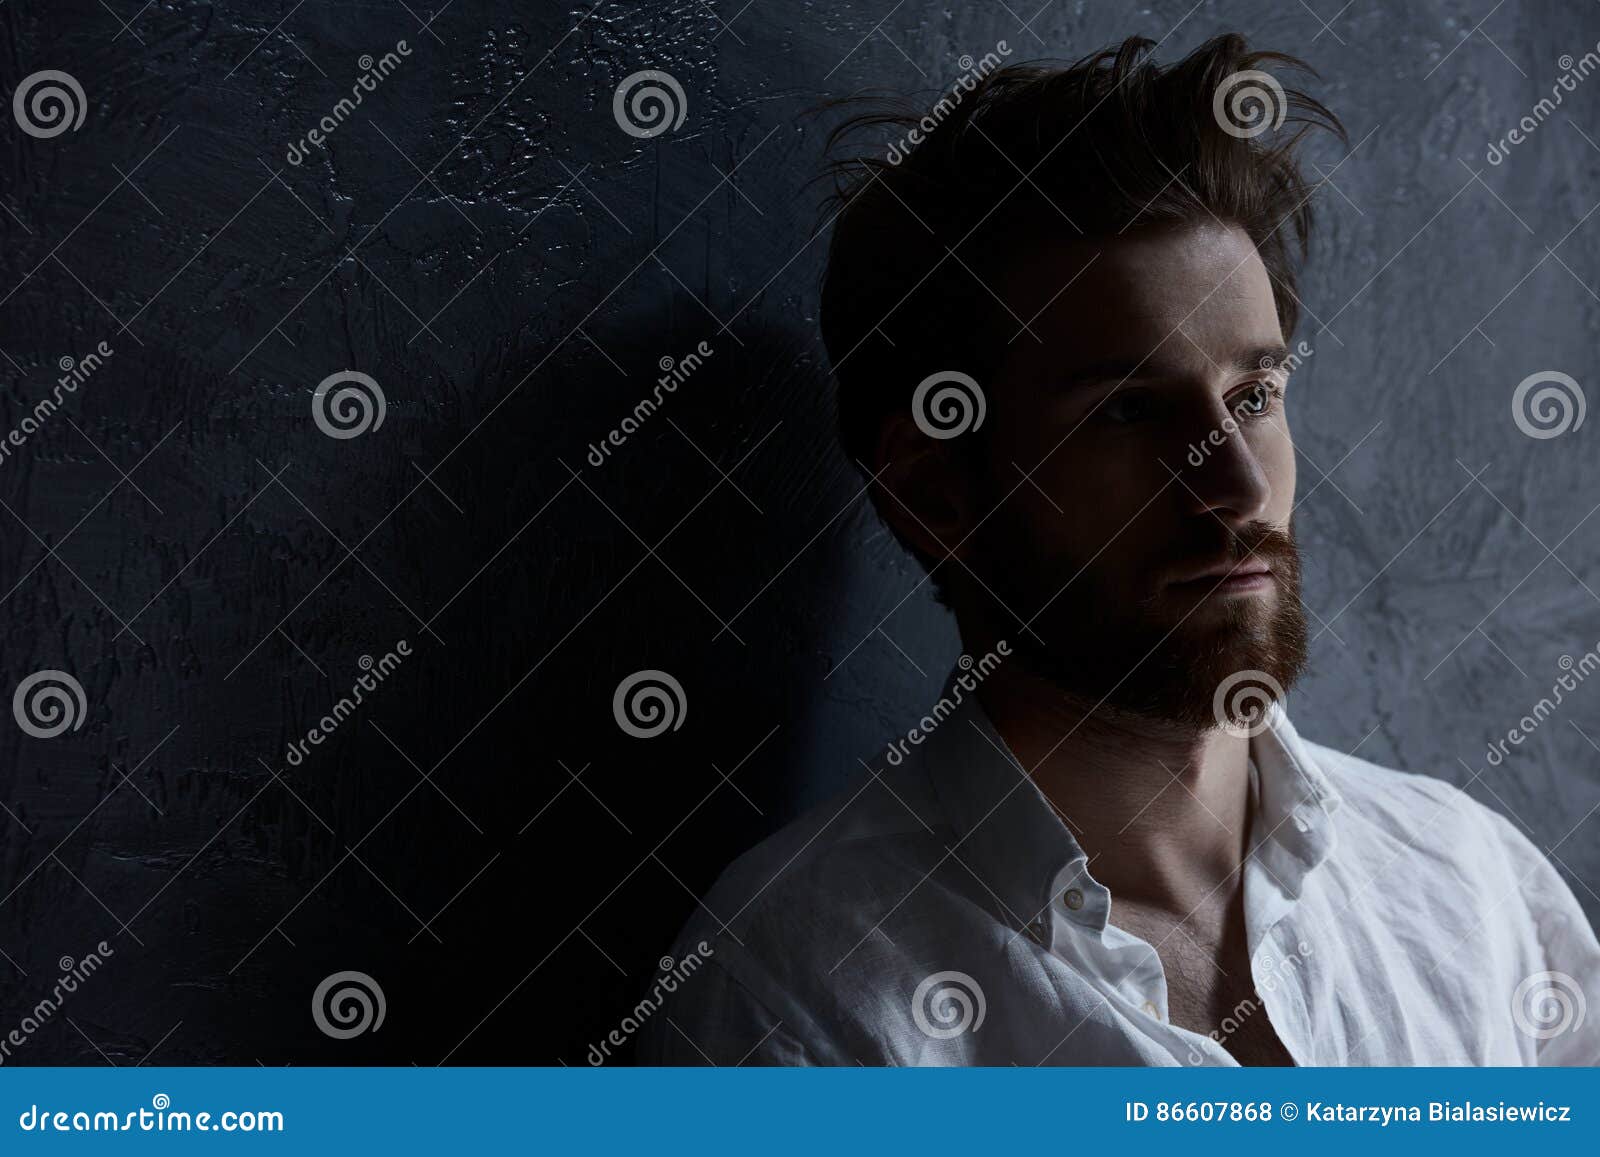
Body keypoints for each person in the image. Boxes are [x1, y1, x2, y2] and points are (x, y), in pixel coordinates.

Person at [639, 33, 1600, 1066]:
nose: (1234, 486)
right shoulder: (796, 995)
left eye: (1253, 397)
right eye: (1129, 412)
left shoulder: (1469, 885)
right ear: (936, 491)